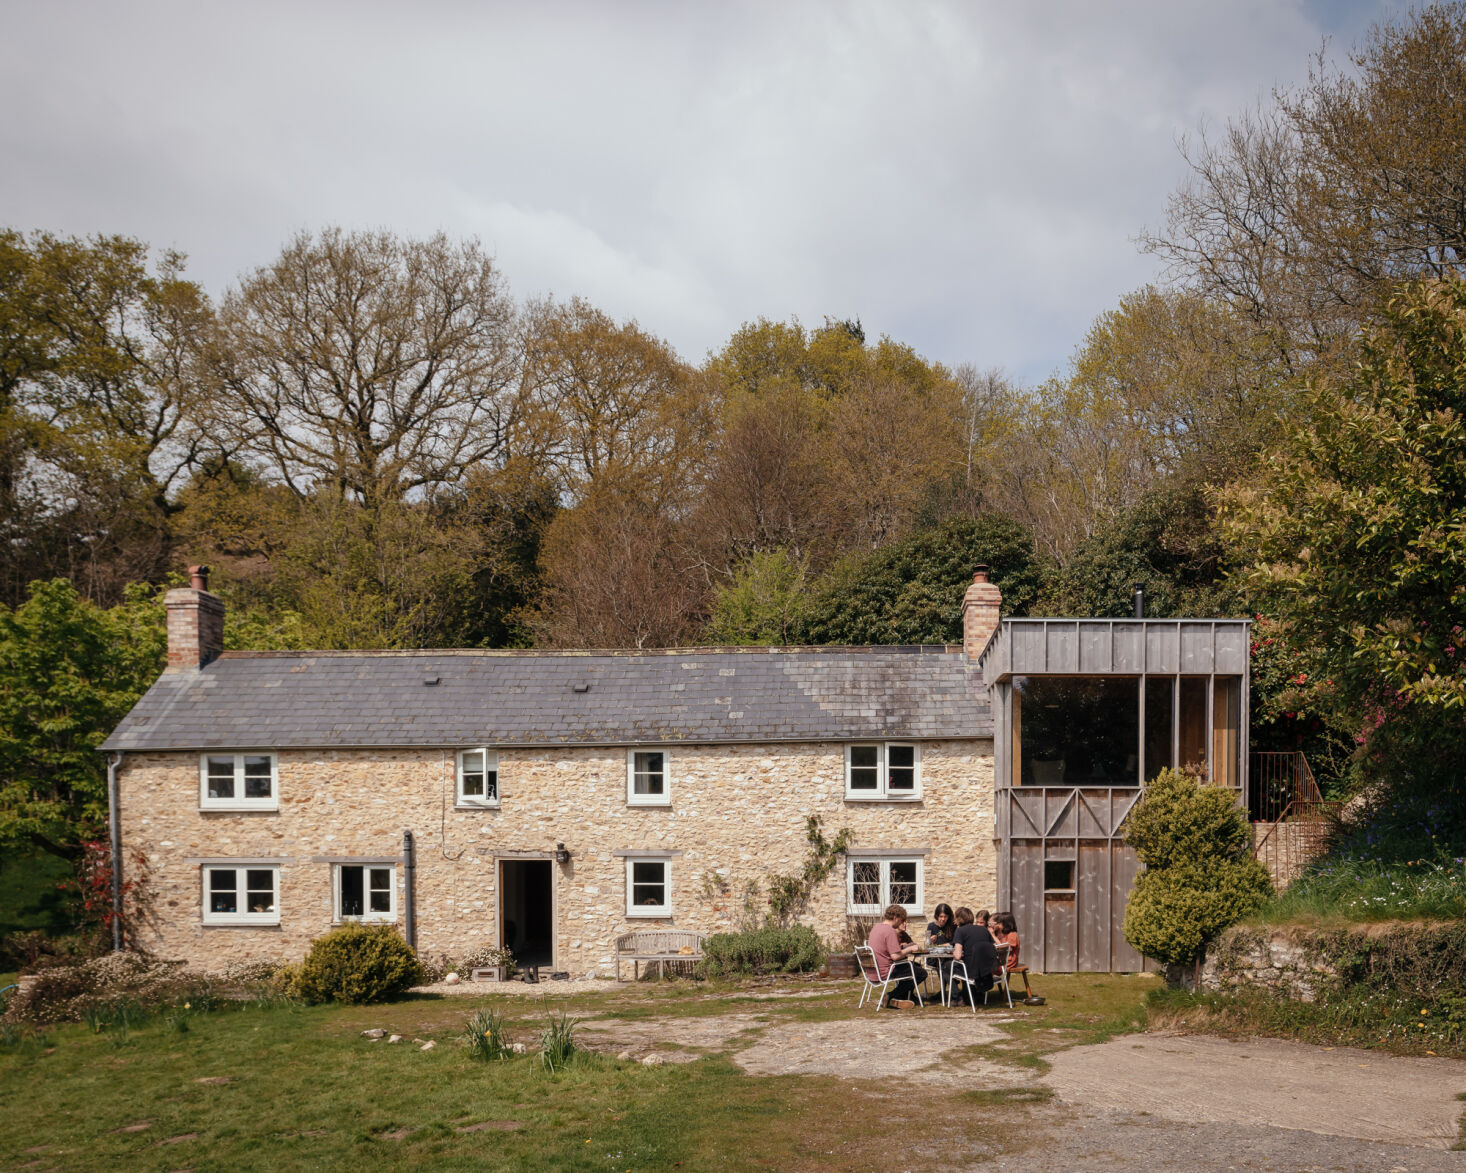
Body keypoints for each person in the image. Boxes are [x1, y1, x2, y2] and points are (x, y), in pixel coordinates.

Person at [867, 904, 925, 1008]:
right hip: (886, 971)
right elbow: (895, 956)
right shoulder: (890, 931)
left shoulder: (876, 927)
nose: (901, 923)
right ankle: (890, 995)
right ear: (895, 918)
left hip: (873, 972)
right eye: (901, 920)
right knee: (921, 973)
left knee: (914, 967)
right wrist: (910, 949)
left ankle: (900, 998)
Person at [949, 906, 995, 1004]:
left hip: (971, 971)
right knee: (967, 963)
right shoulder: (984, 930)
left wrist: (953, 952)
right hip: (986, 970)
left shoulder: (960, 931)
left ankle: (957, 997)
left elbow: (957, 956)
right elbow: (993, 948)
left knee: (946, 967)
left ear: (958, 919)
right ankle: (973, 995)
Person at [991, 911, 1036, 1001]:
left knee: (987, 967)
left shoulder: (1012, 935)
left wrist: (992, 936)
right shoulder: (1001, 933)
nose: (998, 925)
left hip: (1009, 961)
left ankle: (981, 990)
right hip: (1001, 959)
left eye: (999, 923)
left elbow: (1005, 950)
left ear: (1006, 923)